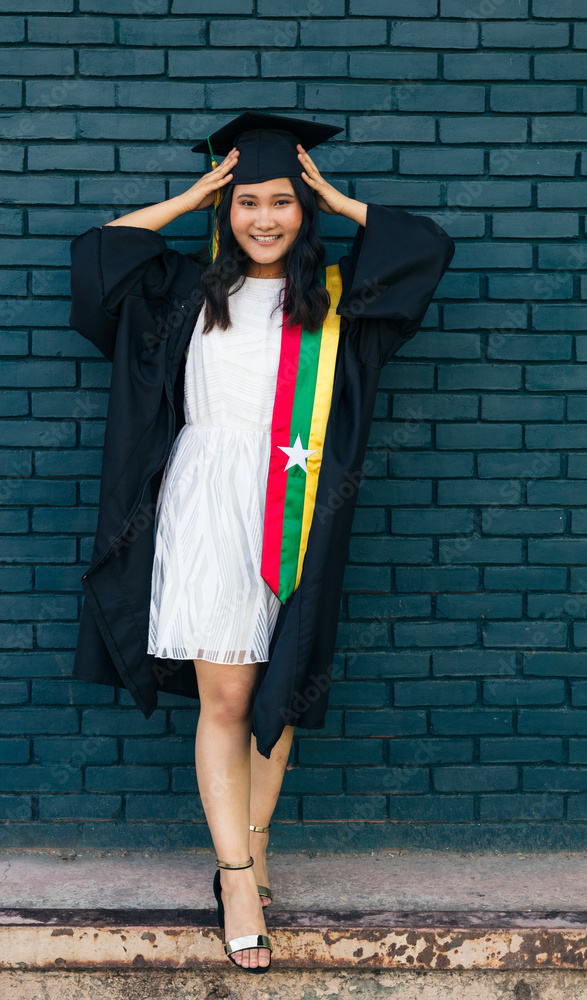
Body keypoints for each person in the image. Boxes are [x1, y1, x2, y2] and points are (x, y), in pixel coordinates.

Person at [68, 110, 456, 973]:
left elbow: (423, 248)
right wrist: (194, 193)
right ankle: (238, 877)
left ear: (302, 207)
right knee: (226, 702)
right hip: (206, 507)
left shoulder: (338, 303)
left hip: (297, 507)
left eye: (283, 201)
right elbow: (98, 253)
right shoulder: (178, 292)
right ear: (226, 209)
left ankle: (251, 847)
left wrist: (340, 199)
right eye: (248, 202)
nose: (266, 218)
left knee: (276, 705)